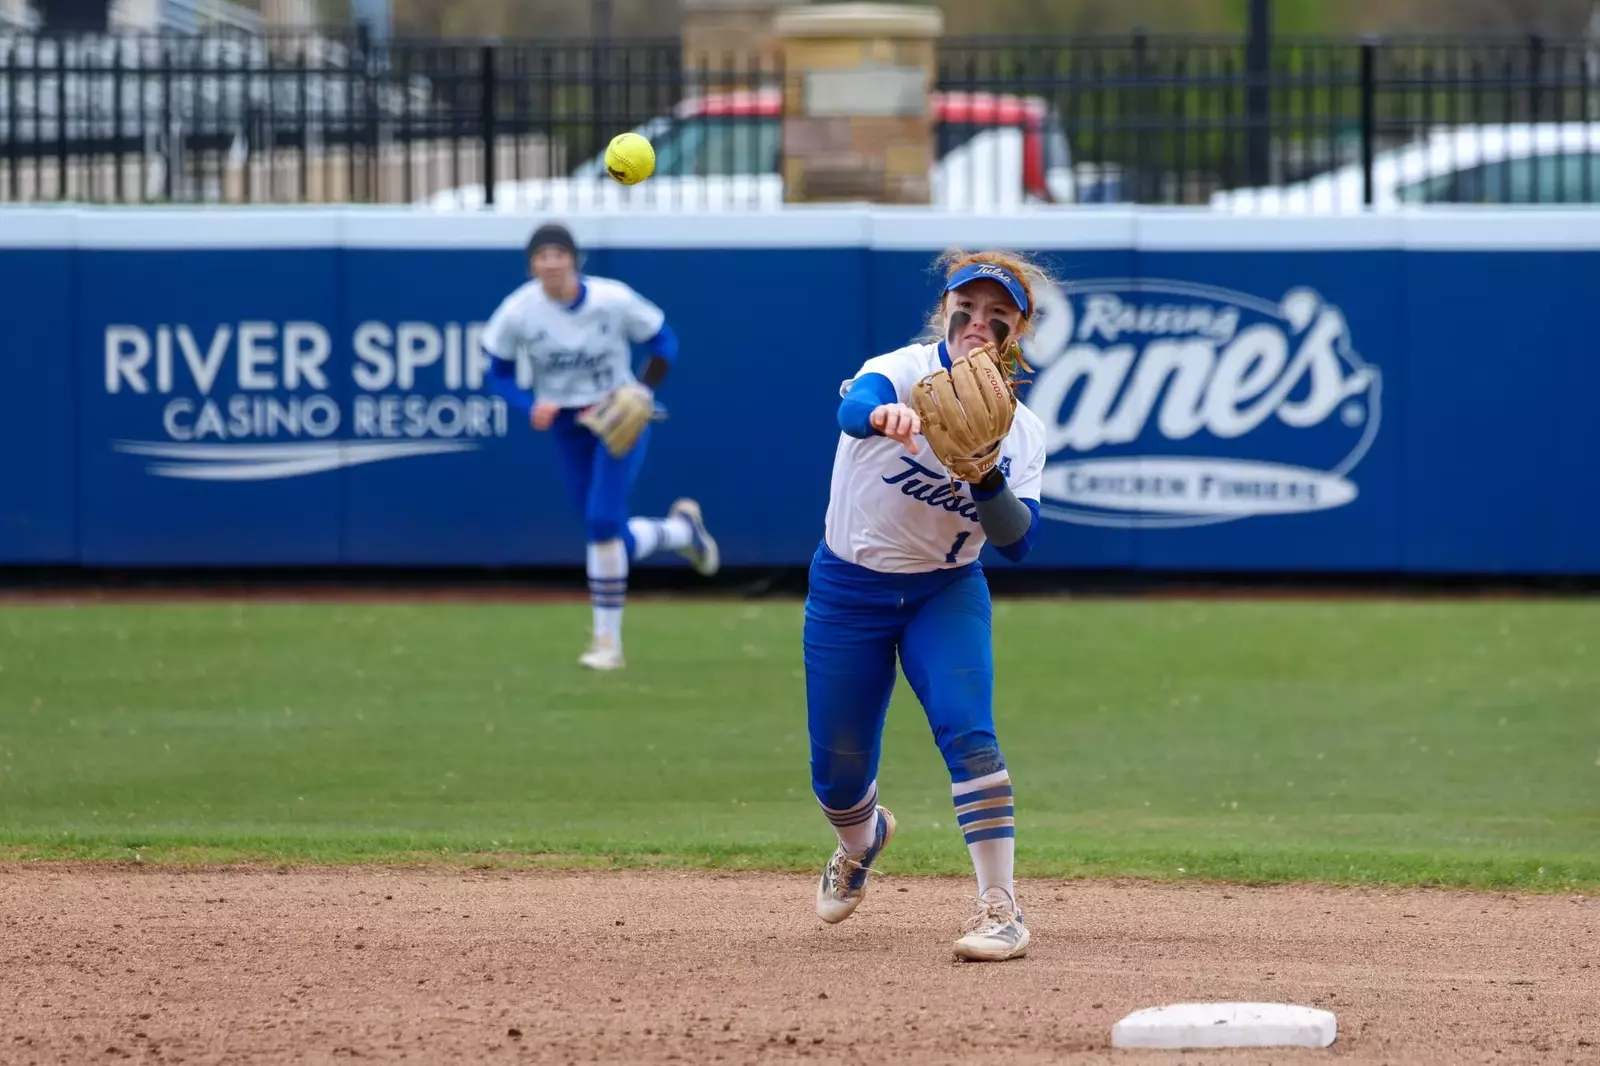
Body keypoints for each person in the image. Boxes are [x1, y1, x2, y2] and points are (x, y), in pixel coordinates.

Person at [805, 248, 1050, 962]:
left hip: (944, 592)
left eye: (997, 317)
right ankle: (861, 840)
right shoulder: (903, 369)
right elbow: (852, 406)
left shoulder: (1021, 431)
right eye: (965, 309)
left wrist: (984, 476)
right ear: (944, 313)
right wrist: (880, 414)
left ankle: (999, 907)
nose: (978, 323)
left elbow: (1018, 541)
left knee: (969, 731)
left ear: (1015, 336)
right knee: (839, 771)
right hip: (849, 590)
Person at [481, 222, 720, 671]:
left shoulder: (611, 298)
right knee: (607, 536)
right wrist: (527, 404)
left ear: (575, 259)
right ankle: (681, 532)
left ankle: (606, 643)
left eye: (558, 253)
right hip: (568, 424)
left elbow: (664, 341)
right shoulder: (518, 311)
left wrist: (645, 390)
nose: (550, 262)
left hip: (616, 414)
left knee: (601, 521)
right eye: (541, 255)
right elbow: (497, 371)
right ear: (531, 263)